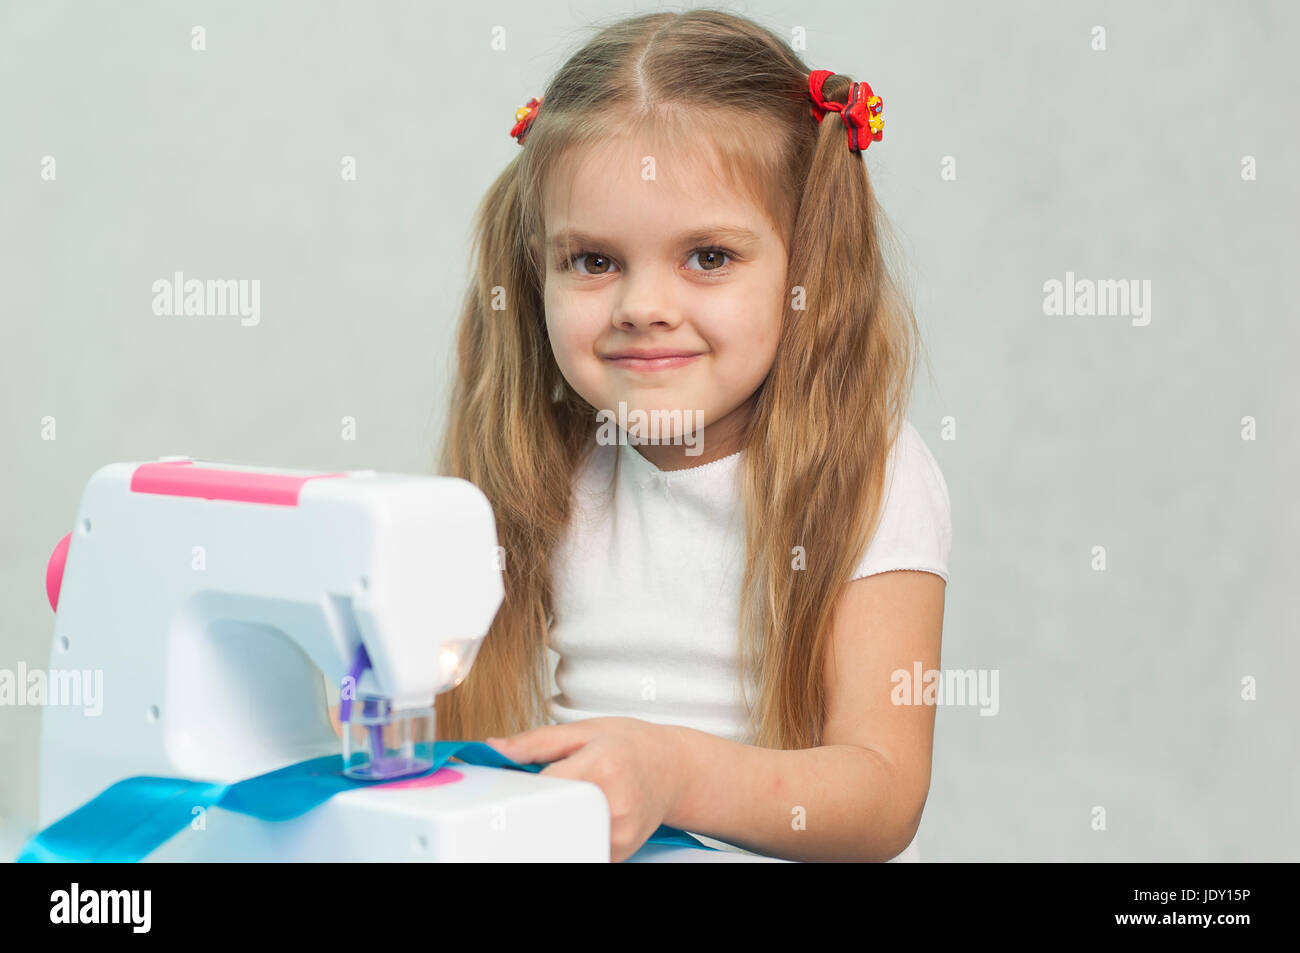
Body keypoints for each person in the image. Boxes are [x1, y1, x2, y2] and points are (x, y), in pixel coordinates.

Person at [437, 8, 951, 863]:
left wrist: (670, 775)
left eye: (708, 256)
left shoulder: (871, 474)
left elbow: (883, 792)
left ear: (808, 267)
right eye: (594, 261)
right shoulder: (553, 460)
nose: (643, 306)